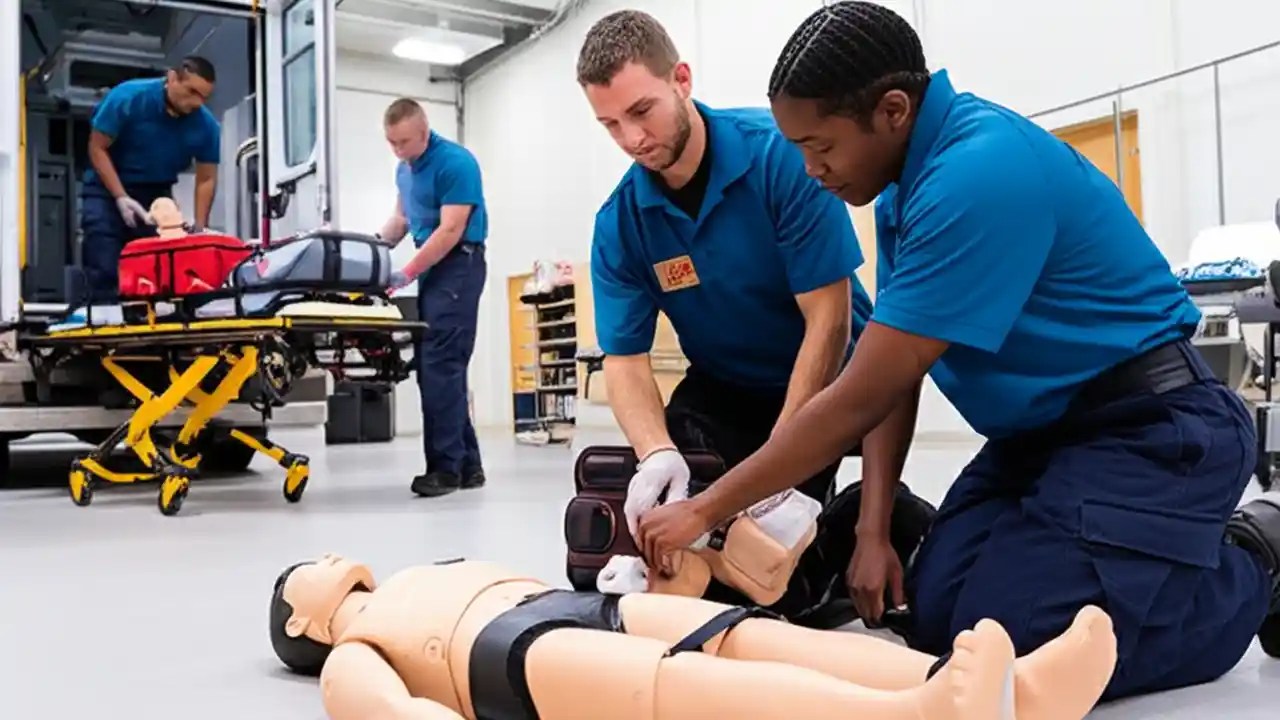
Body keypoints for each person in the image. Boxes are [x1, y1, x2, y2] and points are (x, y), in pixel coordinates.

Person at [636, 0, 1280, 702]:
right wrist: (873, 529)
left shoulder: (978, 172)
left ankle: (1256, 556)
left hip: (1151, 430)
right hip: (1036, 442)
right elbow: (894, 378)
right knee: (937, 614)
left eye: (821, 147)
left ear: (890, 111)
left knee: (1019, 641)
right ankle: (1127, 557)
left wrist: (706, 510)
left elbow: (859, 393)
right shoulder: (899, 189)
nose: (812, 169)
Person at [577, 11, 883, 537]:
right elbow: (624, 361)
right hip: (728, 383)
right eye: (610, 125)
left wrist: (782, 463)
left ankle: (853, 522)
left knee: (774, 554)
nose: (631, 138)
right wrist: (655, 453)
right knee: (672, 523)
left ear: (682, 80)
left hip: (832, 374)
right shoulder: (620, 224)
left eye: (641, 110)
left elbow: (828, 319)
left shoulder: (782, 158)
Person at [269, 553, 1119, 720]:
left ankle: (1015, 696)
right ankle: (920, 716)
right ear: (303, 621)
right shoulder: (352, 649)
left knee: (743, 633)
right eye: (302, 573)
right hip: (500, 662)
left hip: (562, 605)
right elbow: (385, 712)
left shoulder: (417, 572)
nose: (329, 562)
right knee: (682, 688)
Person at [376, 98, 488, 498]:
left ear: (424, 132)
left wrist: (406, 273)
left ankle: (444, 470)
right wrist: (371, 249)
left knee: (440, 364)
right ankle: (468, 466)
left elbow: (449, 231)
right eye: (392, 143)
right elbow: (402, 220)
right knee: (441, 366)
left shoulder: (456, 163)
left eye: (404, 142)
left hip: (459, 264)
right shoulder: (403, 169)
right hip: (435, 268)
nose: (399, 151)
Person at [80, 56, 221, 303]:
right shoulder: (127, 97)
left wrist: (200, 229)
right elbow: (97, 147)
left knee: (159, 268)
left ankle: (151, 329)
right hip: (107, 187)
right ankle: (105, 324)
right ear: (172, 78)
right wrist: (121, 197)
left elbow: (206, 178)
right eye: (192, 92)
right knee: (104, 263)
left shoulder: (206, 125)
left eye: (204, 97)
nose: (197, 103)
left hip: (157, 192)